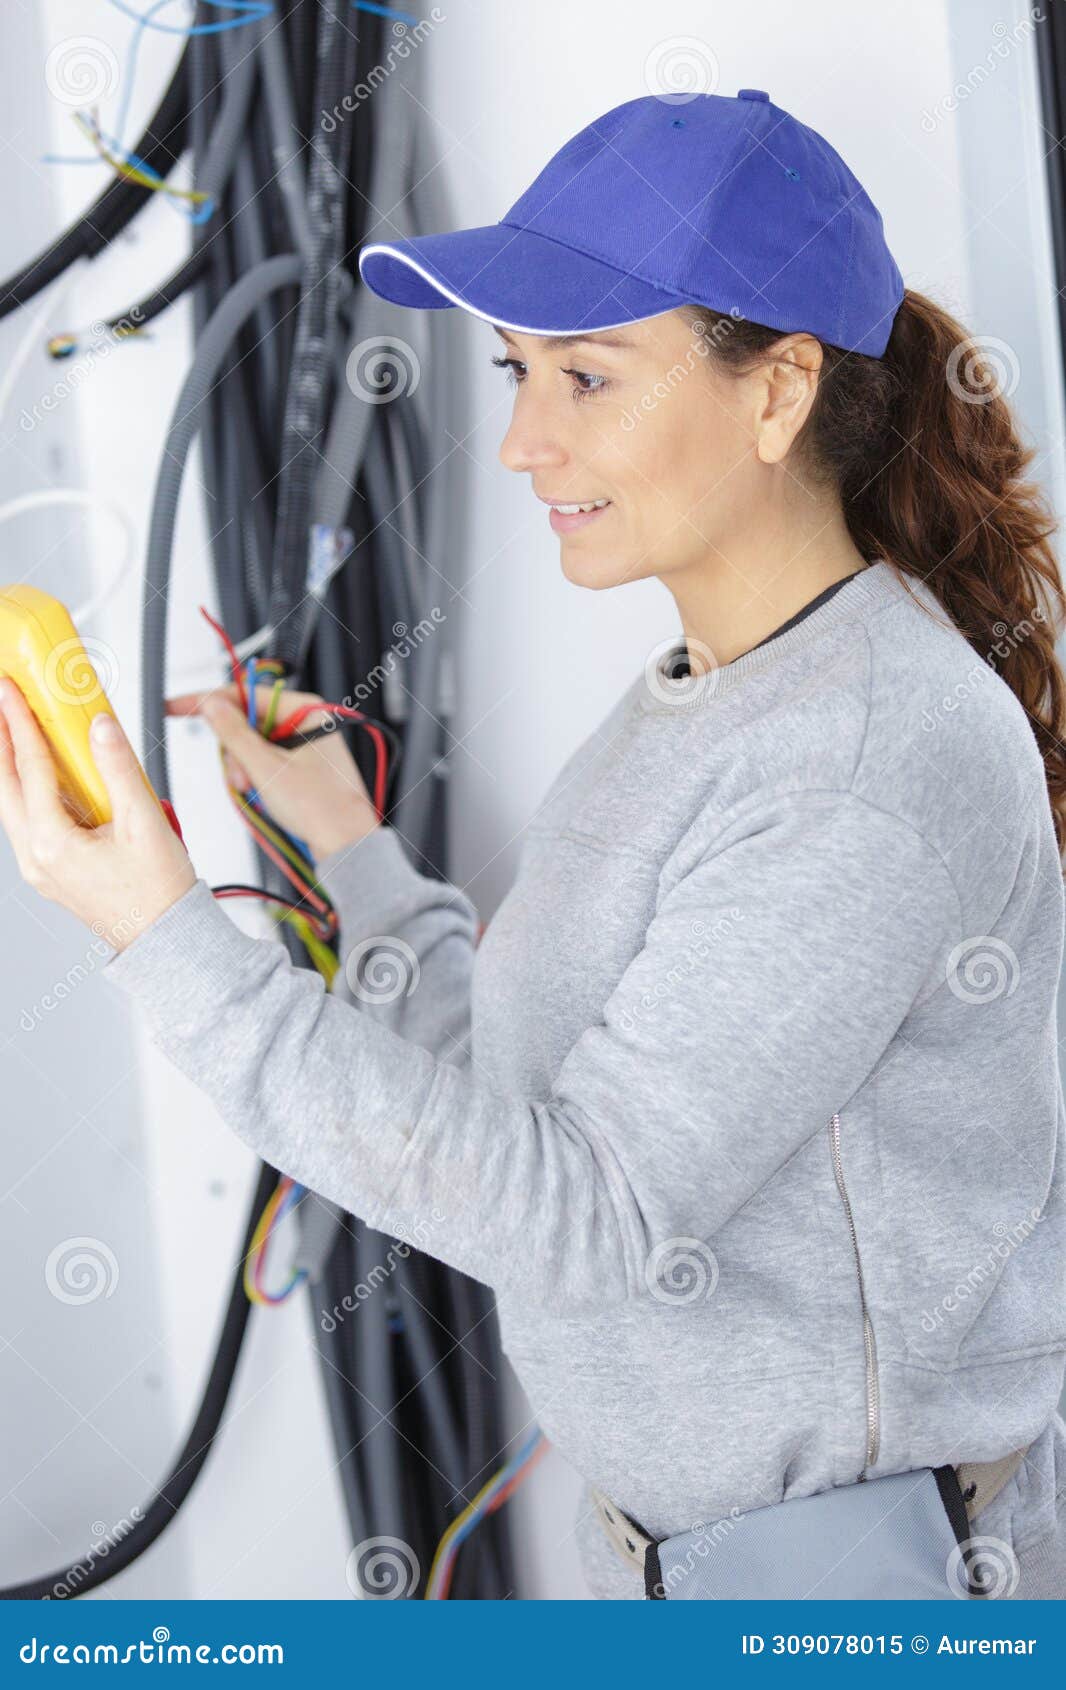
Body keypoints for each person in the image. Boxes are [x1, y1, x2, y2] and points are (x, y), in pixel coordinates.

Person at [1, 89, 1065, 1601]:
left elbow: (581, 1213)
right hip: (689, 1570)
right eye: (514, 370)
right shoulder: (692, 712)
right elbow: (529, 1110)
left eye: (584, 374)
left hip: (857, 1594)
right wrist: (360, 856)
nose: (517, 439)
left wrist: (164, 937)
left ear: (778, 393)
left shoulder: (862, 764)